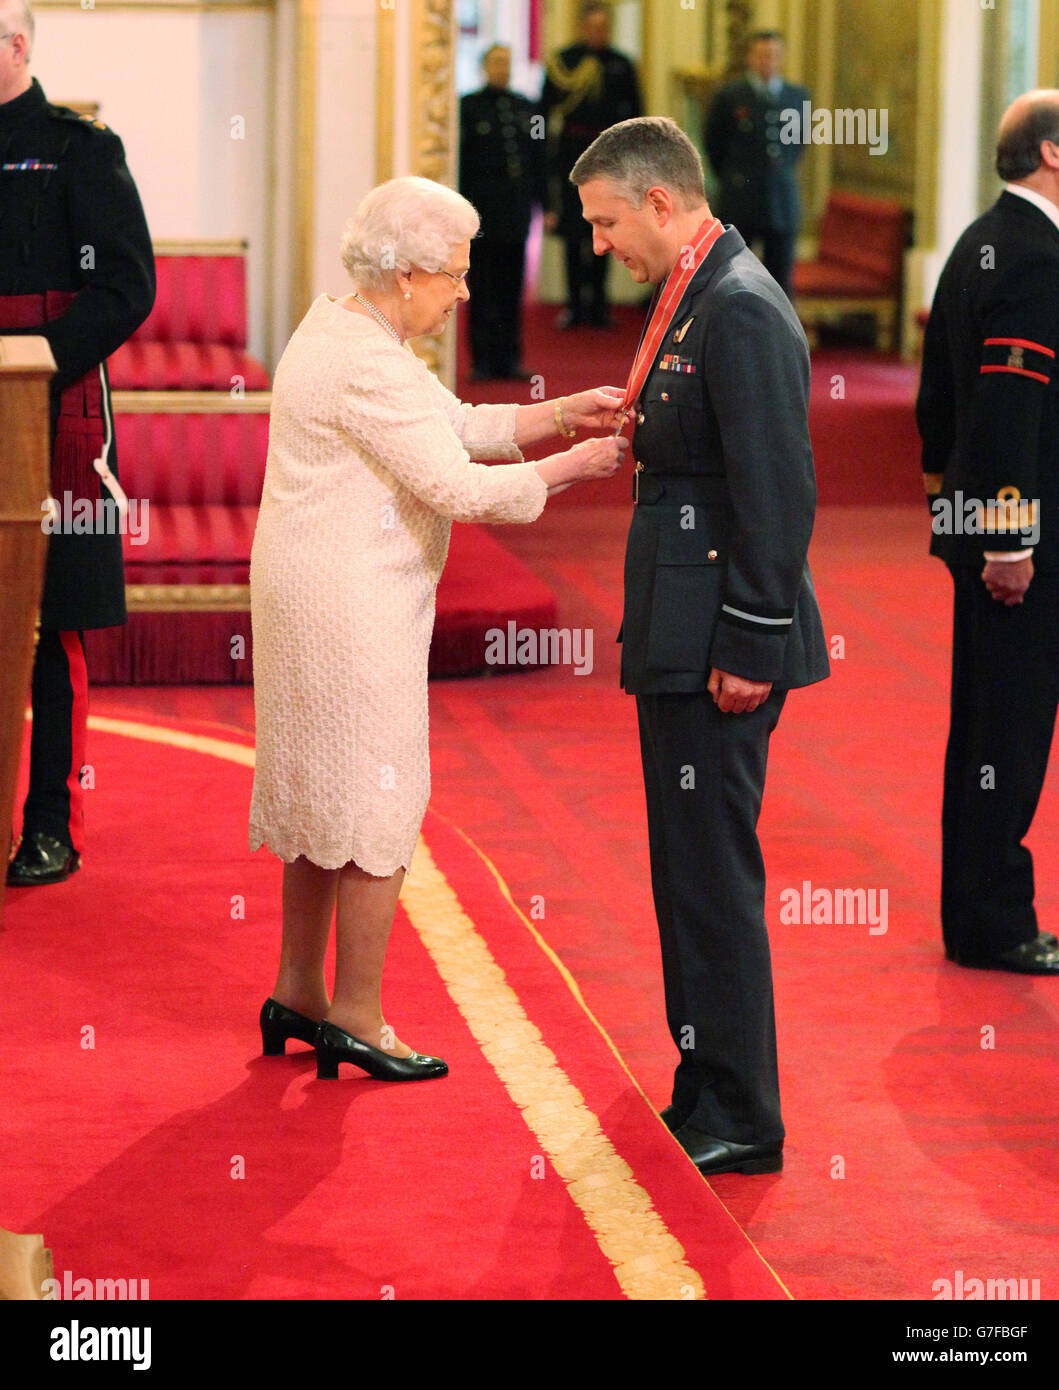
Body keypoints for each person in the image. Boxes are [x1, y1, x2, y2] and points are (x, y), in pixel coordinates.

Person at [249, 176, 630, 1081]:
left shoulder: (340, 329)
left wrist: (553, 414)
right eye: (453, 275)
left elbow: (447, 426)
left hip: (312, 592)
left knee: (317, 800)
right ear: (406, 272)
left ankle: (298, 992)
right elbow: (457, 484)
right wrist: (577, 464)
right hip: (351, 605)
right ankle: (359, 1015)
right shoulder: (369, 359)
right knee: (378, 797)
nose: (464, 291)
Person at [570, 117, 829, 1175]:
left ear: (662, 205)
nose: (598, 246)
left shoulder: (741, 309)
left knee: (713, 877)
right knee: (685, 872)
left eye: (605, 222)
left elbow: (779, 492)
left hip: (723, 633)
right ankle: (703, 1078)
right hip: (682, 623)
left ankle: (743, 1110)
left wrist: (755, 642)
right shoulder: (699, 293)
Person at [917, 89, 1059, 975]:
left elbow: (936, 406)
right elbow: (1011, 411)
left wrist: (952, 513)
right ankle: (994, 923)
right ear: (1051, 153)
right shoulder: (1033, 258)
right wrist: (1007, 543)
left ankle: (977, 912)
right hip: (1025, 547)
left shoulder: (981, 242)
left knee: (983, 729)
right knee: (1006, 736)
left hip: (981, 529)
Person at [1, 1, 155, 887]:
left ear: (17, 46)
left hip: (48, 414)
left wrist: (31, 368)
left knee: (51, 627)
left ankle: (51, 825)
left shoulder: (78, 150)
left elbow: (127, 287)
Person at [541, 1, 642, 328]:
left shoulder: (621, 64)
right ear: (582, 28)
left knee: (608, 230)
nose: (597, 33)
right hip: (571, 154)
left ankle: (599, 305)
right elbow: (543, 112)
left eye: (603, 27)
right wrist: (544, 150)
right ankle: (574, 306)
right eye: (592, 27)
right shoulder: (563, 62)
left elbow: (637, 113)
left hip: (610, 157)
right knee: (574, 233)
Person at [458, 43, 543, 380]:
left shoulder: (529, 109)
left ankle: (509, 358)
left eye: (506, 62)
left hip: (515, 210)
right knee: (483, 287)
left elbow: (538, 156)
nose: (501, 68)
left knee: (511, 288)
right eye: (495, 62)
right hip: (480, 211)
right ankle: (482, 360)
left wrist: (543, 203)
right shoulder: (467, 107)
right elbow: (461, 162)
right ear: (483, 66)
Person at [703, 29, 809, 297]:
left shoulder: (797, 96)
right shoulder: (730, 95)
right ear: (751, 57)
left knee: (780, 279)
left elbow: (798, 144)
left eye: (774, 54)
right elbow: (713, 144)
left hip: (781, 200)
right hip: (741, 197)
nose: (768, 60)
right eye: (762, 54)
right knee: (732, 274)